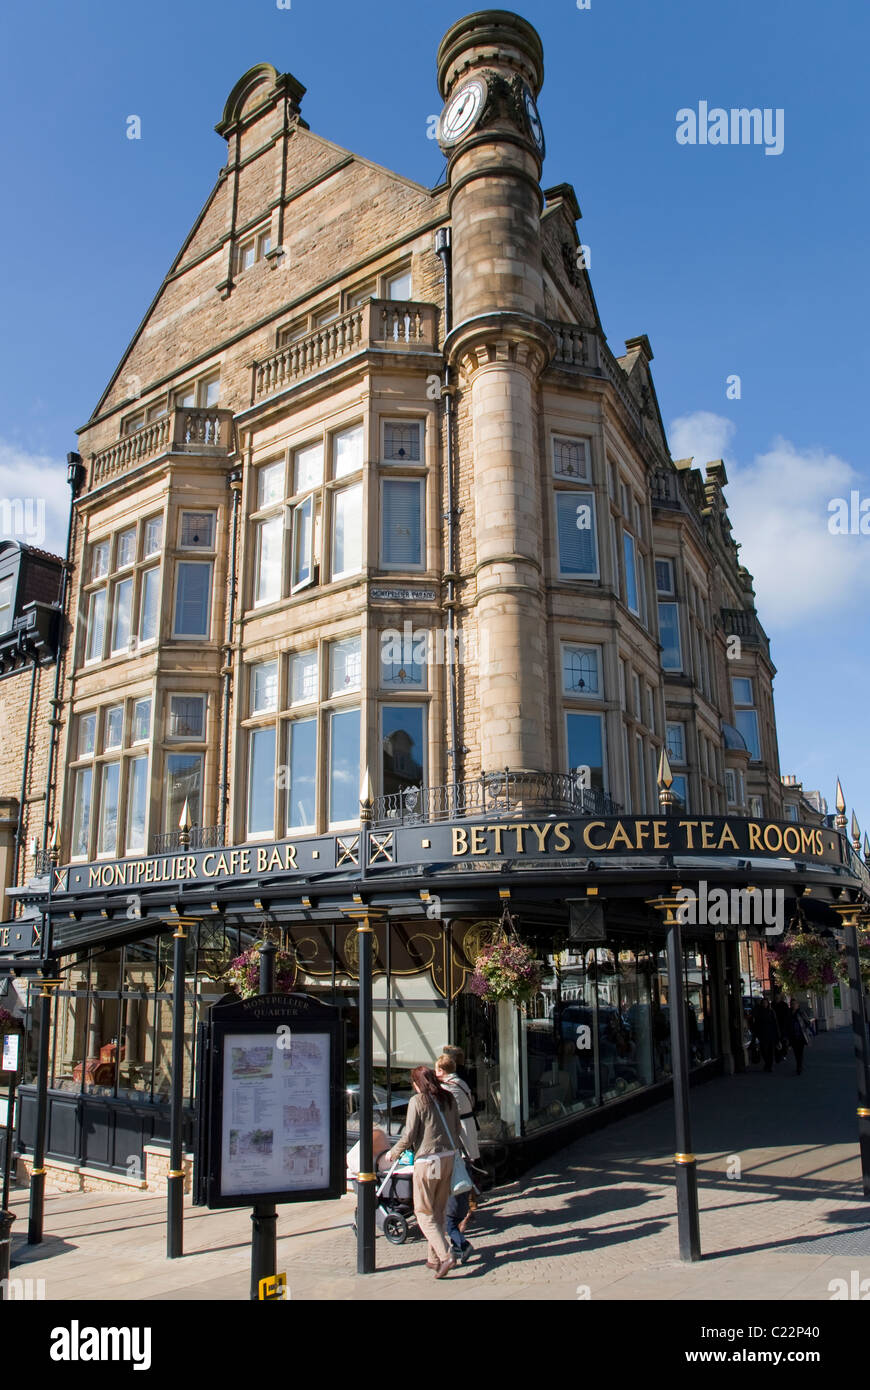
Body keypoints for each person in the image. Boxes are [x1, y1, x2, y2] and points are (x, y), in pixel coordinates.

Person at [387, 1065, 462, 1278]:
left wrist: (393, 1152)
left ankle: (446, 1255)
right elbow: (457, 1128)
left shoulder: (417, 1101)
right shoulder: (448, 1098)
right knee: (437, 1210)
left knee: (422, 1212)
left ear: (417, 1083)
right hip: (448, 1157)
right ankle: (433, 1259)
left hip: (428, 1160)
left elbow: (409, 1134)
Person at [435, 1052, 478, 1265]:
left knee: (460, 1170)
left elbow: (443, 1111)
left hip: (459, 1133)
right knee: (467, 1167)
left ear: (442, 1070)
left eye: (436, 1070)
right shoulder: (461, 1083)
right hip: (468, 1129)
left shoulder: (448, 1088)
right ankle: (467, 1206)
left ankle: (463, 1211)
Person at [751, 996, 780, 1072]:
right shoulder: (759, 1012)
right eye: (763, 1003)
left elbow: (775, 1023)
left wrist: (777, 1034)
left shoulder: (771, 1012)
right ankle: (767, 1063)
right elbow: (756, 1024)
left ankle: (769, 1065)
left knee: (770, 1050)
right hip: (762, 1034)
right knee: (764, 1050)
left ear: (768, 1004)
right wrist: (755, 1034)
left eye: (766, 1003)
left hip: (770, 1033)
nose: (765, 1004)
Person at [788, 998, 812, 1075]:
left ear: (798, 1005)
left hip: (801, 1035)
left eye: (794, 1004)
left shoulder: (801, 1012)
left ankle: (799, 1066)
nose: (793, 1005)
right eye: (792, 1004)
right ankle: (799, 1065)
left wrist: (804, 1027)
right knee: (796, 1052)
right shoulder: (789, 1013)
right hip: (793, 1035)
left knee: (800, 1052)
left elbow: (808, 1022)